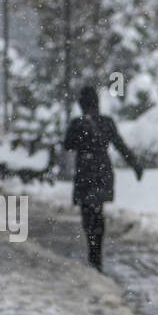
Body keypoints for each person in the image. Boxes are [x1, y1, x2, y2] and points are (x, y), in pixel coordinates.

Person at [63, 85, 143, 272]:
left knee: (88, 214)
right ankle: (96, 252)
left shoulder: (78, 123)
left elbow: (67, 145)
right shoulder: (106, 122)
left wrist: (80, 134)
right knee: (97, 212)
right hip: (101, 171)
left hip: (85, 172)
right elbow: (119, 145)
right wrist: (135, 164)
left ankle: (93, 251)